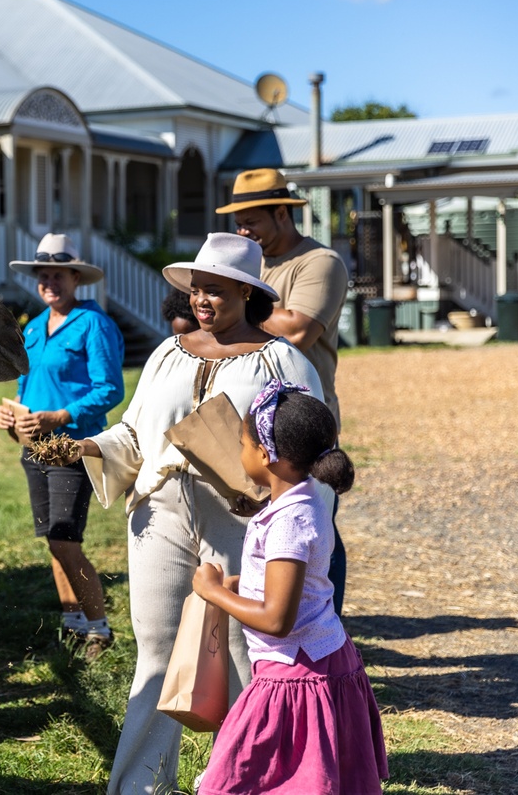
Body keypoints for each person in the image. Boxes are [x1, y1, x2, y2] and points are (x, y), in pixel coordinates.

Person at [62, 232, 323, 795]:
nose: (202, 300)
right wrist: (85, 447)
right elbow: (134, 433)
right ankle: (139, 786)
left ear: (247, 293)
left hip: (244, 521)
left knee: (245, 657)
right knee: (157, 652)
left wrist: (271, 507)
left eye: (215, 290)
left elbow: (307, 452)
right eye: (197, 289)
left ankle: (251, 779)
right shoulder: (167, 352)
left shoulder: (285, 362)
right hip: (158, 514)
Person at [192, 381, 387, 794]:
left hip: (293, 675)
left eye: (244, 442)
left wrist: (215, 592)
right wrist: (245, 583)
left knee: (239, 781)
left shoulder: (287, 522)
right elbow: (303, 580)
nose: (241, 450)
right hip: (325, 660)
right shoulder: (310, 496)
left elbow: (277, 619)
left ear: (265, 454)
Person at [218, 168, 351, 616]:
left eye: (251, 220)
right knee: (260, 526)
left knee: (311, 524)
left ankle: (324, 626)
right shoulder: (253, 263)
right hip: (250, 424)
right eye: (237, 222)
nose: (242, 231)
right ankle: (272, 615)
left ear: (282, 213)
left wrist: (234, 305)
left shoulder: (319, 263)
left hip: (300, 421)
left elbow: (297, 330)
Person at [0, 233, 125, 658]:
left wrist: (59, 417)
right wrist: (10, 418)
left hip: (71, 448)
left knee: (66, 540)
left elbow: (110, 389)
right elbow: (25, 387)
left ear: (76, 278)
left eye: (58, 274)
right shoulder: (33, 327)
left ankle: (99, 630)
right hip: (34, 449)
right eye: (43, 275)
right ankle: (72, 621)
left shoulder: (94, 324)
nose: (50, 282)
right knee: (54, 540)